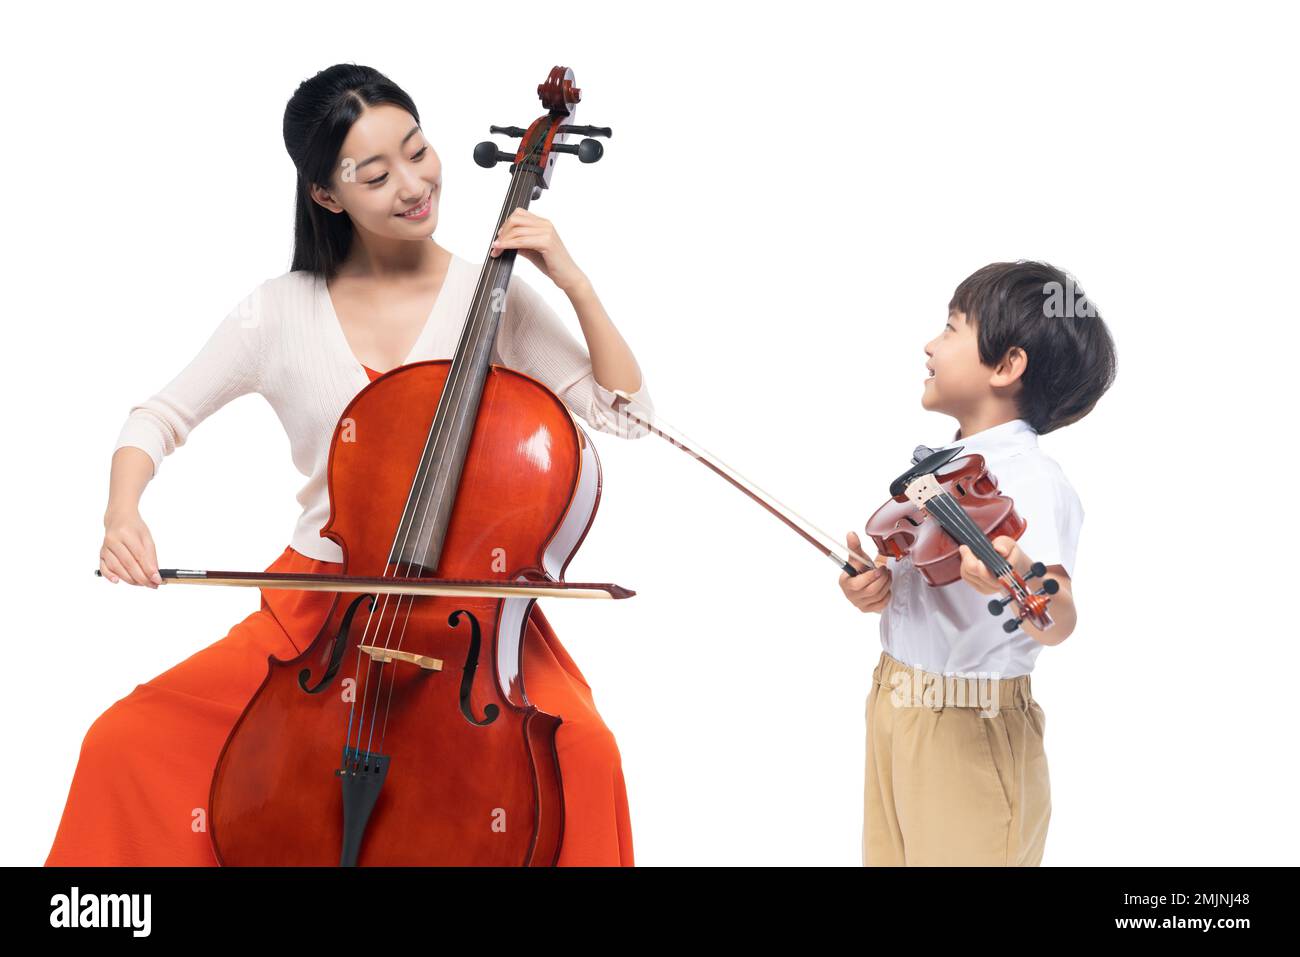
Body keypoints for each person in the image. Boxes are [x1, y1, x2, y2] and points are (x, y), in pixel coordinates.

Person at [46, 63, 651, 867]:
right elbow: (155, 418)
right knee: (124, 739)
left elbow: (628, 416)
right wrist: (123, 513)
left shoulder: (490, 298)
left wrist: (572, 282)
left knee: (586, 756)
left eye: (417, 150)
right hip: (317, 614)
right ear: (326, 196)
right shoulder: (278, 310)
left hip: (468, 615)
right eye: (376, 173)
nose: (413, 184)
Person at [839, 260, 1116, 866]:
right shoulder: (951, 471)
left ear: (1006, 365)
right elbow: (923, 584)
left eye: (951, 328)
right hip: (894, 701)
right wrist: (878, 586)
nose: (929, 344)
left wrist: (1022, 576)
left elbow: (1058, 616)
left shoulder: (1031, 482)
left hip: (969, 724)